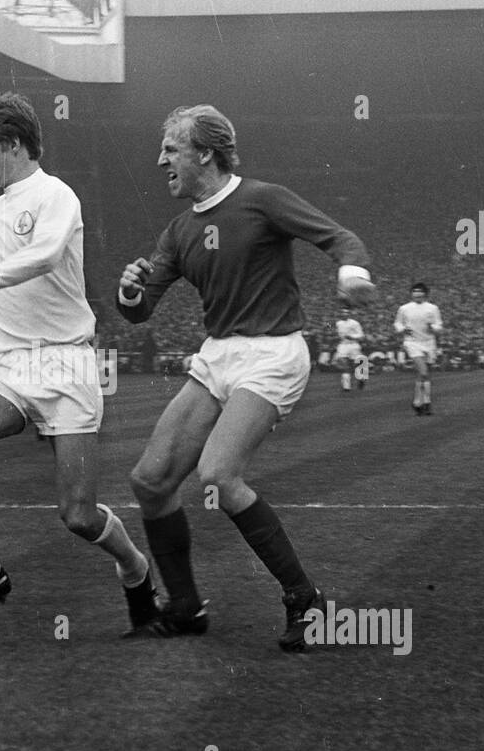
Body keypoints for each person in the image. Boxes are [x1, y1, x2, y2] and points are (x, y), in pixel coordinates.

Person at [116, 104, 374, 652]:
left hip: (274, 353)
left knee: (218, 474)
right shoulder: (179, 229)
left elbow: (340, 238)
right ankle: (185, 608)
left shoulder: (262, 199)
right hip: (219, 354)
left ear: (204, 152)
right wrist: (131, 288)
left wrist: (352, 273)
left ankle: (306, 600)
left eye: (170, 148)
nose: (160, 159)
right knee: (150, 480)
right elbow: (139, 311)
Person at [0, 92, 151, 628]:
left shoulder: (57, 195)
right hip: (8, 362)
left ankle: (136, 568)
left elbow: (43, 256)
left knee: (78, 516)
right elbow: (8, 271)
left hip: (66, 366)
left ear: (15, 143)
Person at [394, 283, 443, 415]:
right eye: (415, 291)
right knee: (424, 372)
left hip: (429, 342)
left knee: (422, 375)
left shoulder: (432, 308)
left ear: (425, 294)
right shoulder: (404, 308)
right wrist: (402, 329)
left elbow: (439, 325)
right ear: (411, 294)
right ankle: (427, 402)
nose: (417, 294)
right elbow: (398, 323)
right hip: (412, 343)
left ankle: (417, 402)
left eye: (420, 292)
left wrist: (433, 328)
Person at [334, 307, 367, 391]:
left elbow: (361, 335)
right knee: (344, 364)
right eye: (342, 313)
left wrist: (351, 337)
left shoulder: (355, 323)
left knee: (358, 363)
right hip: (342, 345)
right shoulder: (338, 323)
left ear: (349, 314)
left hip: (353, 345)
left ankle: (361, 378)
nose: (344, 314)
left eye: (346, 313)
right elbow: (329, 326)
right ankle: (346, 387)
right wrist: (328, 325)